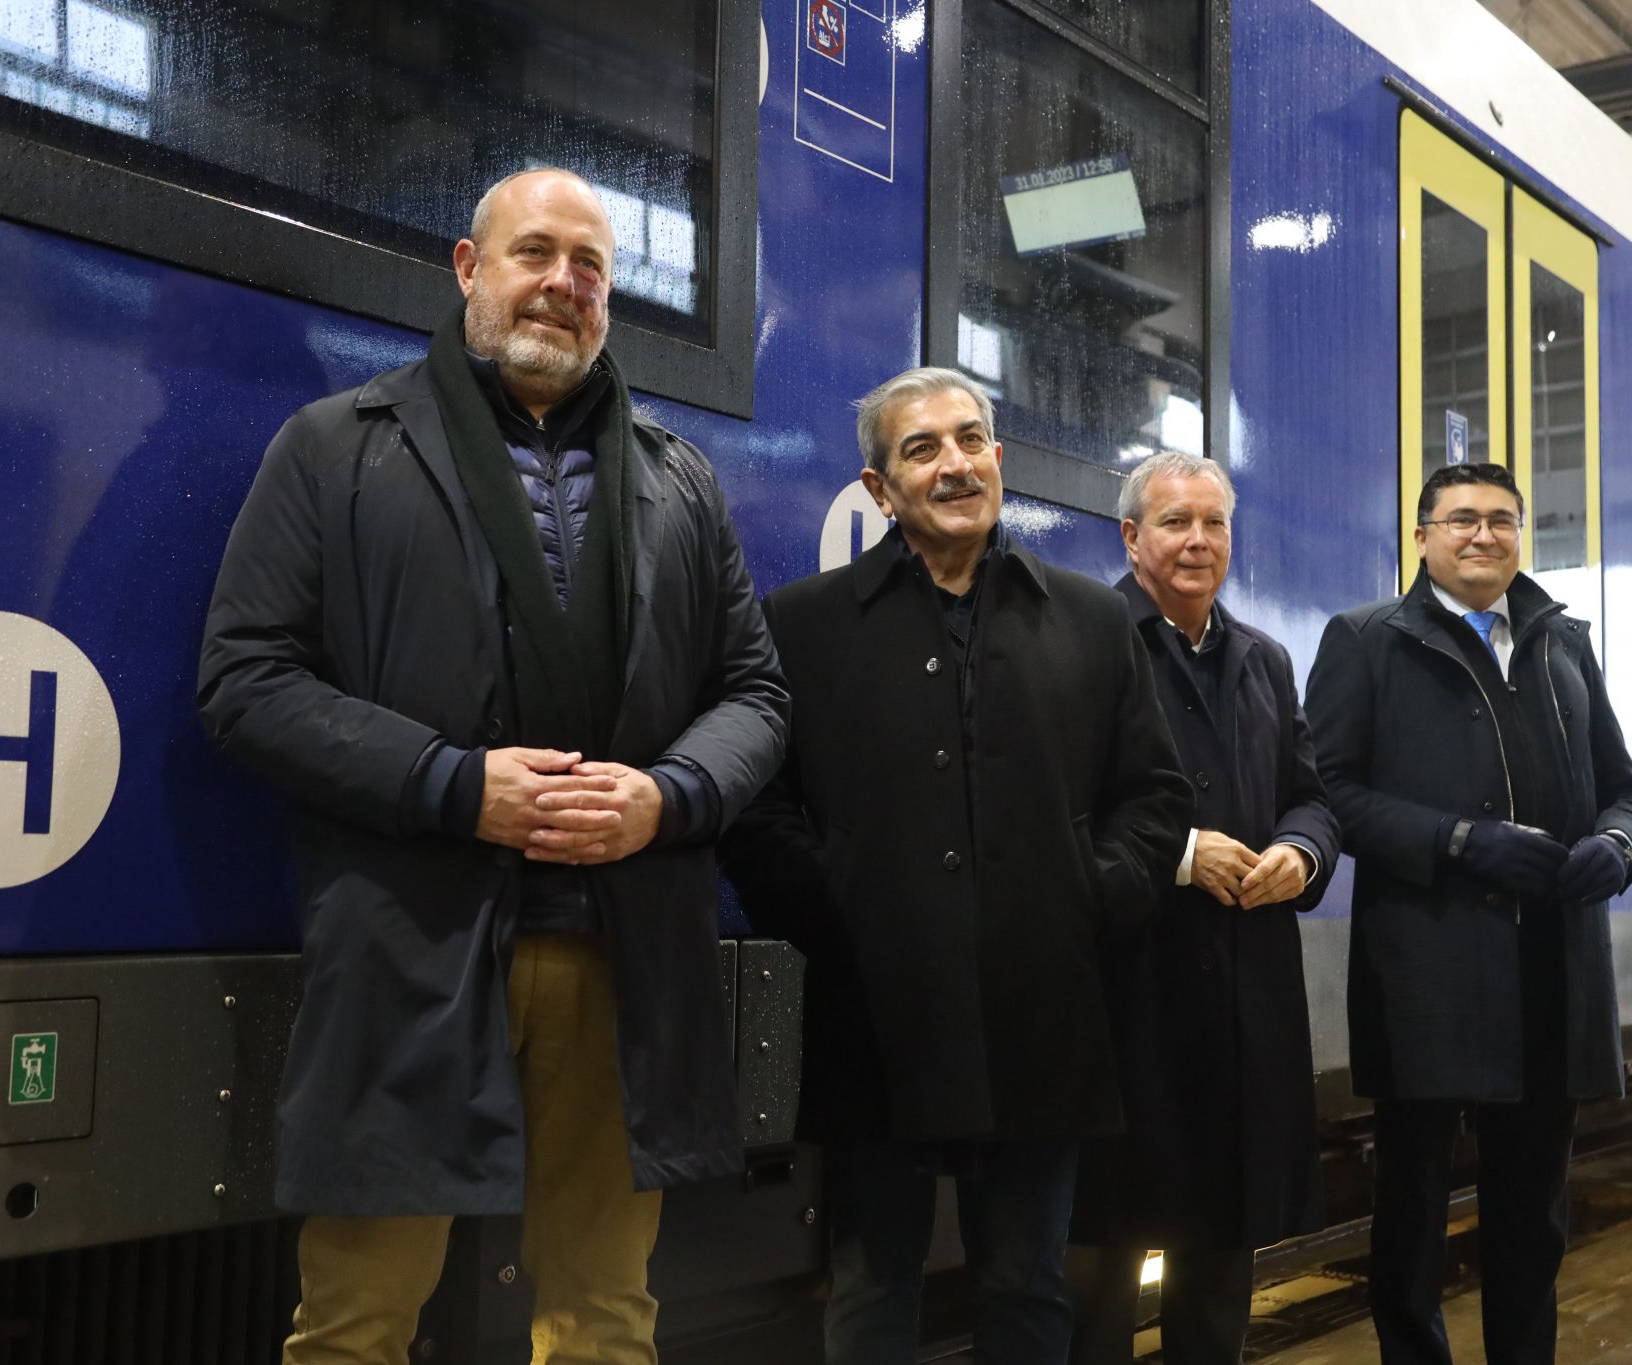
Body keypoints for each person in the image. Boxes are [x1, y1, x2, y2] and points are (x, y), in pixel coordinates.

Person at [196, 167, 788, 1365]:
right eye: (533, 254)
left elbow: (755, 695)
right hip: (414, 935)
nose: (562, 284)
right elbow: (245, 681)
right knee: (357, 1319)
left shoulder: (679, 481)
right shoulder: (336, 447)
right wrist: (452, 784)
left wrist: (665, 797)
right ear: (469, 270)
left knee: (605, 1317)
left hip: (621, 953)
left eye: (589, 267)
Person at [719, 367, 1191, 1365]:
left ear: (998, 460)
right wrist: (839, 910)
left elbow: (1152, 797)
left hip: (1042, 1015)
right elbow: (757, 809)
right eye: (920, 448)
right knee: (869, 1287)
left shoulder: (1091, 621)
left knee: (1026, 1286)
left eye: (969, 440)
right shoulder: (802, 624)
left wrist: (1091, 896)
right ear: (879, 488)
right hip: (874, 1019)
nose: (953, 464)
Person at [1303, 462, 1632, 1365]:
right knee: (1413, 1210)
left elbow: (1625, 791)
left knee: (1533, 1219)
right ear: (1422, 536)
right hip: (1425, 969)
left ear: (1520, 535)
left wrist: (1616, 848)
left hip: (1554, 969)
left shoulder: (1562, 642)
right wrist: (1458, 840)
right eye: (1460, 519)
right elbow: (1329, 790)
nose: (1483, 535)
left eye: (1502, 520)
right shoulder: (1367, 639)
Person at [1066, 451, 1339, 1365]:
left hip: (1243, 1005)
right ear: (1131, 536)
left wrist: (1301, 852)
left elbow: (1311, 795)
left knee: (1221, 1268)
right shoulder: (1083, 637)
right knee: (1097, 1272)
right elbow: (1055, 805)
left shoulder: (1264, 659)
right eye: (1175, 522)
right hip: (1124, 995)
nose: (1197, 541)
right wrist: (1180, 855)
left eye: (1213, 522)